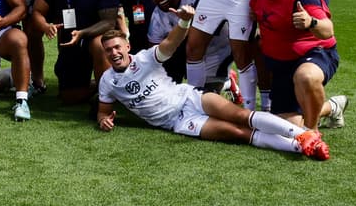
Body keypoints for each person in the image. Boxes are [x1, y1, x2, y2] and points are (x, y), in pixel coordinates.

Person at [96, 12, 331, 160]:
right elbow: (103, 112)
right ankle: (298, 148)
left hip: (189, 98)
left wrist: (184, 21)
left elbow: (169, 44)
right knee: (237, 133)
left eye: (118, 47)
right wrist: (103, 120)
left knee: (241, 116)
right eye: (109, 50)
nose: (114, 53)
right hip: (176, 122)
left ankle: (303, 134)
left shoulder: (145, 58)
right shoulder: (108, 81)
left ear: (127, 47)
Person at [249, 0, 347, 132]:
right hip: (283, 65)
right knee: (288, 126)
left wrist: (311, 22)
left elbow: (328, 30)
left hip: (316, 54)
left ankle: (312, 132)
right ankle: (333, 107)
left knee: (306, 77)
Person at [30, 0, 120, 104]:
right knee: (69, 98)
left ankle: (106, 98)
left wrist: (83, 33)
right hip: (69, 42)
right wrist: (45, 25)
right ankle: (99, 87)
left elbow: (109, 22)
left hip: (95, 36)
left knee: (98, 45)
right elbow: (37, 11)